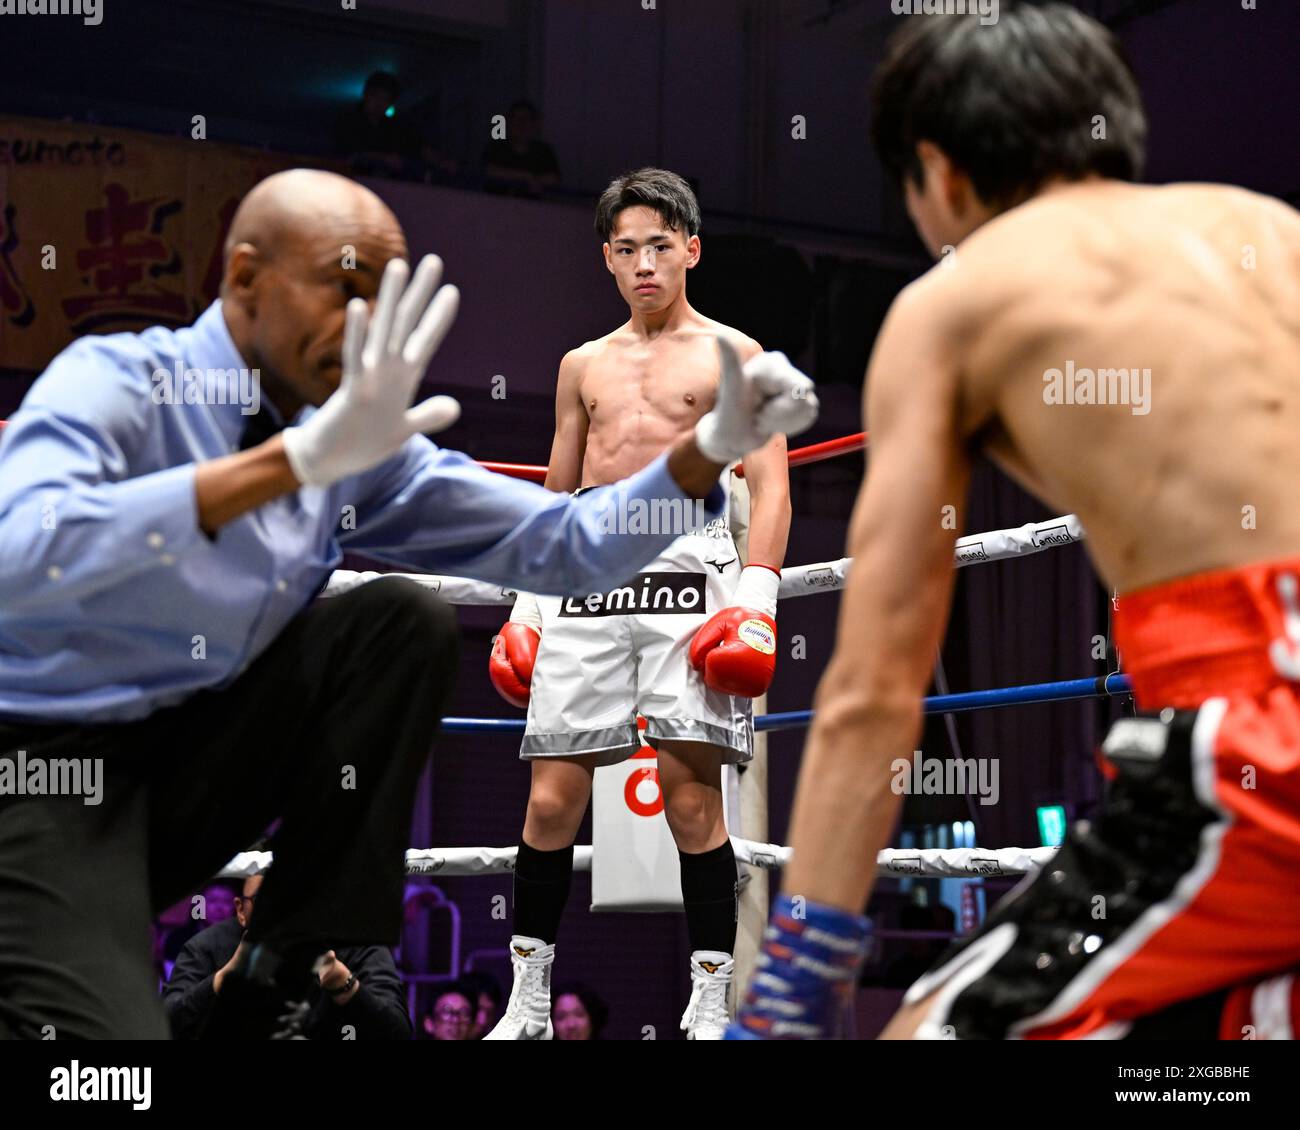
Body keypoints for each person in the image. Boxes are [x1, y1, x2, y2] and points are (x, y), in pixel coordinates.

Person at [0, 167, 817, 1040]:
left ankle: (285, 954)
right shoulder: (121, 381)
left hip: (194, 763)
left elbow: (564, 542)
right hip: (50, 776)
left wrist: (710, 452)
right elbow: (21, 556)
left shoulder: (352, 441)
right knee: (103, 1066)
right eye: (343, 290)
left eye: (380, 300)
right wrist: (289, 466)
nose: (363, 328)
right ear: (246, 278)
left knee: (401, 622)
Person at [731, 2, 1300, 1040]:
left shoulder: (961, 298)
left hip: (1261, 728)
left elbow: (869, 690)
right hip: (1256, 767)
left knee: (928, 1029)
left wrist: (789, 997)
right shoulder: (1270, 227)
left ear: (939, 174)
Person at [485, 168, 793, 1041]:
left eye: (661, 245)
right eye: (626, 249)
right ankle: (531, 999)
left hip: (689, 568)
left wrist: (759, 598)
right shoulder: (581, 365)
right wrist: (526, 609)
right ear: (609, 261)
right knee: (550, 802)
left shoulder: (738, 357)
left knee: (691, 800)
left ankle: (708, 998)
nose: (644, 264)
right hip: (587, 572)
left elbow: (771, 489)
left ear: (691, 250)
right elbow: (557, 493)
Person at [163, 874, 411, 1039]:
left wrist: (345, 986)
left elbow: (398, 1033)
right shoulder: (209, 947)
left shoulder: (356, 944)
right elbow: (165, 1028)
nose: (281, 910)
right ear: (241, 910)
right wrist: (224, 977)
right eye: (265, 898)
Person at [333, 71, 424, 180]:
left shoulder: (393, 127)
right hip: (349, 181)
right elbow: (345, 154)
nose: (379, 104)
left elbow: (411, 149)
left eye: (386, 100)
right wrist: (382, 159)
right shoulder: (347, 121)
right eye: (375, 96)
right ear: (365, 95)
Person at [481, 99, 561, 198]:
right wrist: (525, 177)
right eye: (516, 118)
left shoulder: (543, 151)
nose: (521, 123)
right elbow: (489, 172)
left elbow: (553, 179)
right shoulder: (496, 147)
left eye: (526, 119)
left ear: (534, 124)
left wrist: (534, 180)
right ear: (508, 123)